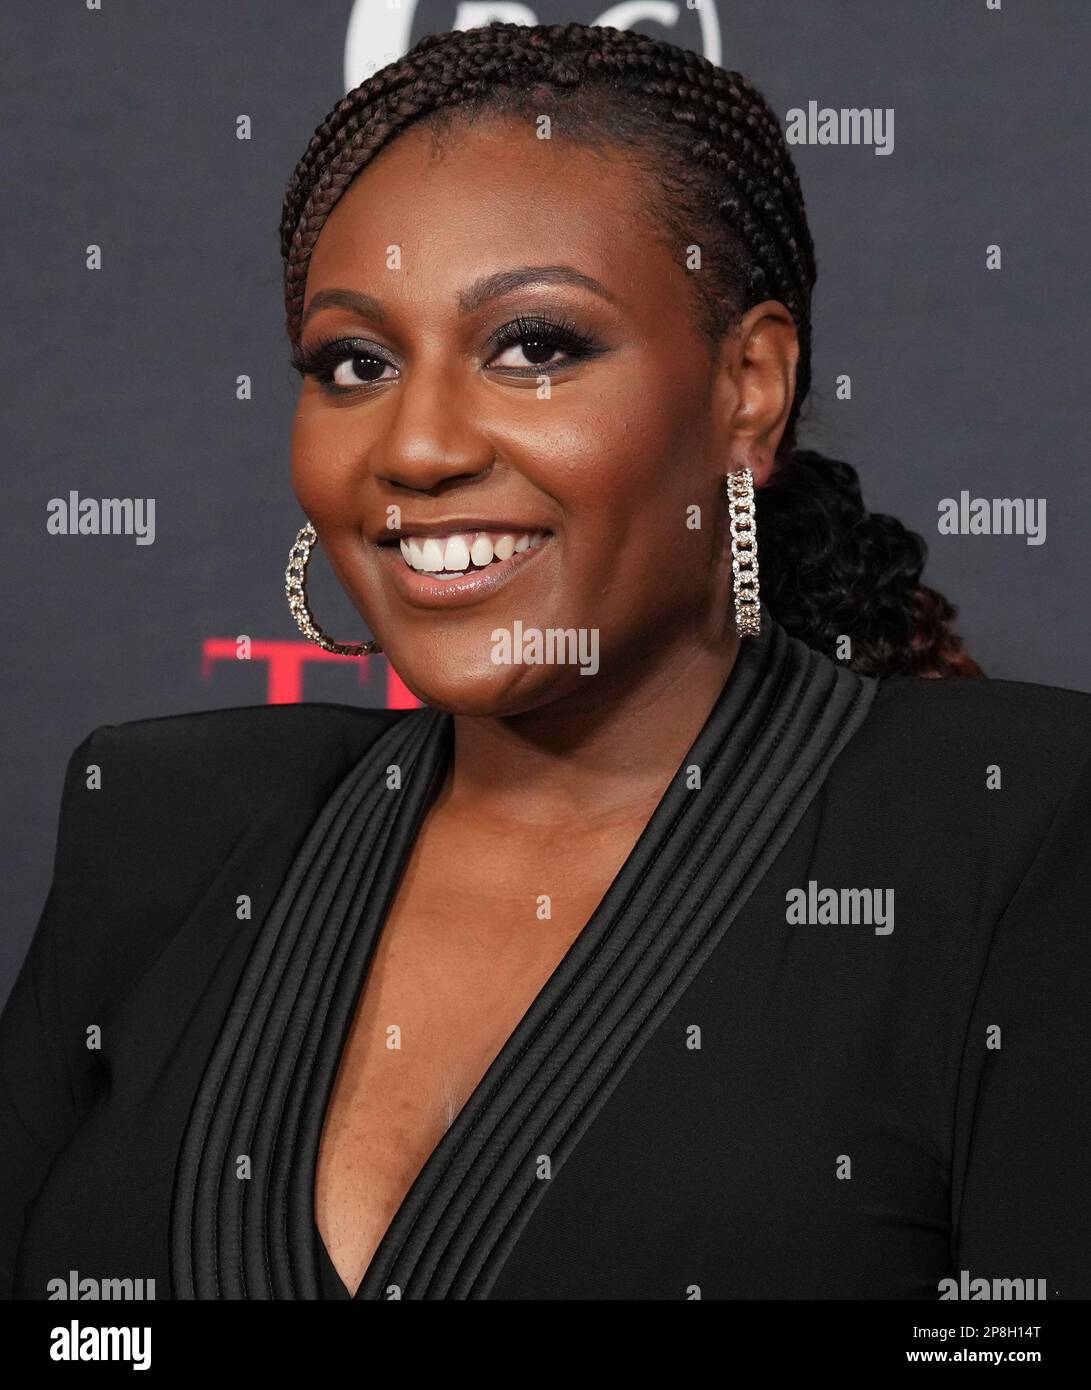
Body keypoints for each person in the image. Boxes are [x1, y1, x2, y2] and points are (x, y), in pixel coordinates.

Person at [2, 20, 1088, 1302]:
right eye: (354, 362)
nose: (414, 447)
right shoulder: (166, 828)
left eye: (533, 347)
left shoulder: (1011, 827)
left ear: (747, 385)